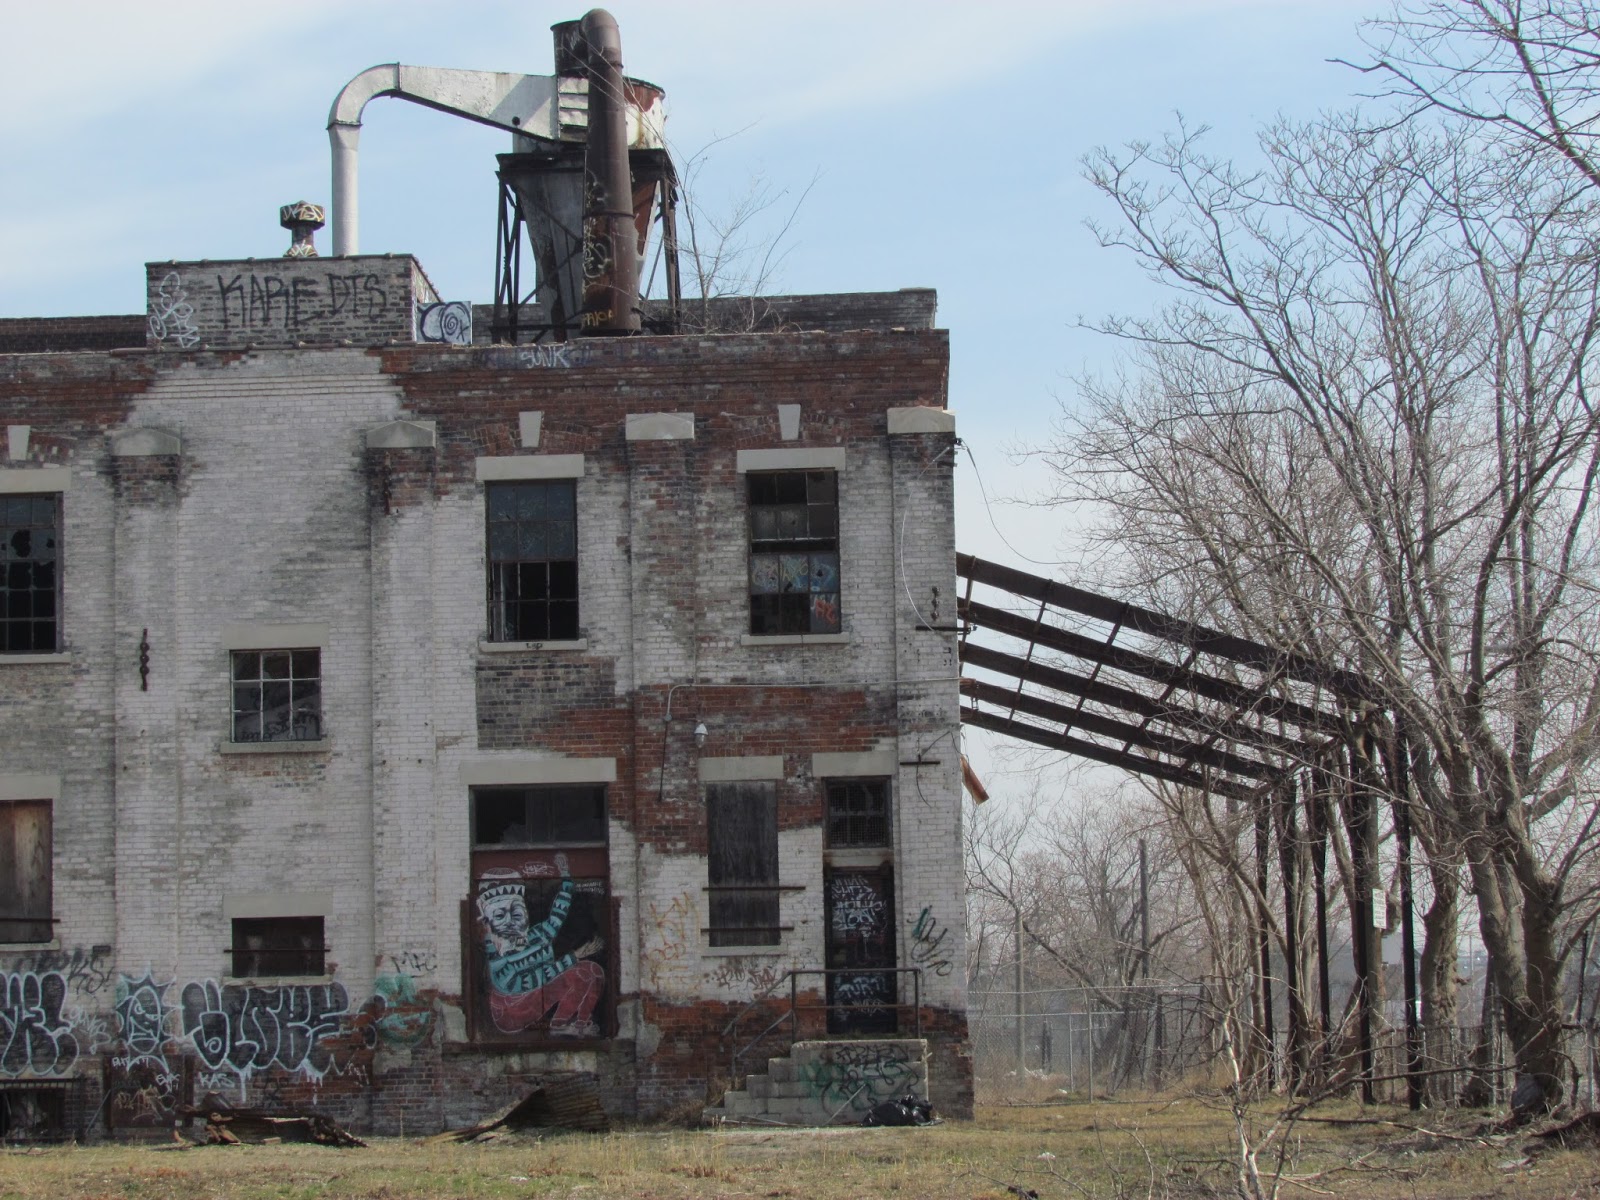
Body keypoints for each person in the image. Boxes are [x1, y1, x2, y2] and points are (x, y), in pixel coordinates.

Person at [476, 856, 604, 1036]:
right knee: (577, 973)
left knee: (591, 972)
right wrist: (573, 957)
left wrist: (566, 877)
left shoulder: (535, 936)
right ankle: (560, 1026)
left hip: (537, 996)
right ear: (488, 923)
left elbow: (557, 916)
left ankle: (568, 1025)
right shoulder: (497, 959)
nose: (510, 922)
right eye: (499, 916)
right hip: (511, 1011)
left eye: (517, 914)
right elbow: (530, 981)